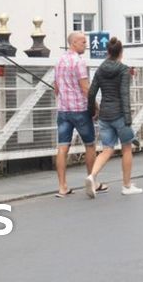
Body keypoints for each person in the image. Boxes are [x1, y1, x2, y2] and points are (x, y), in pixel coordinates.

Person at [85, 37, 143, 196]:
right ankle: (126, 186)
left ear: (108, 52)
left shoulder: (100, 69)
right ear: (121, 52)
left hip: (104, 115)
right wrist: (128, 120)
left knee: (107, 149)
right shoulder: (123, 70)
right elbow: (124, 95)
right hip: (119, 115)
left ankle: (92, 176)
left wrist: (92, 111)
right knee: (126, 149)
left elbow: (91, 93)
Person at [54, 31, 98, 198]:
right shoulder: (79, 62)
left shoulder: (59, 61)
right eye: (83, 42)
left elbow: (56, 88)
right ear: (73, 43)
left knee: (62, 147)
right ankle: (93, 180)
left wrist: (63, 98)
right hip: (79, 109)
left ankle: (62, 186)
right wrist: (95, 106)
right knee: (90, 145)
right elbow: (86, 88)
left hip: (63, 110)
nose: (86, 44)